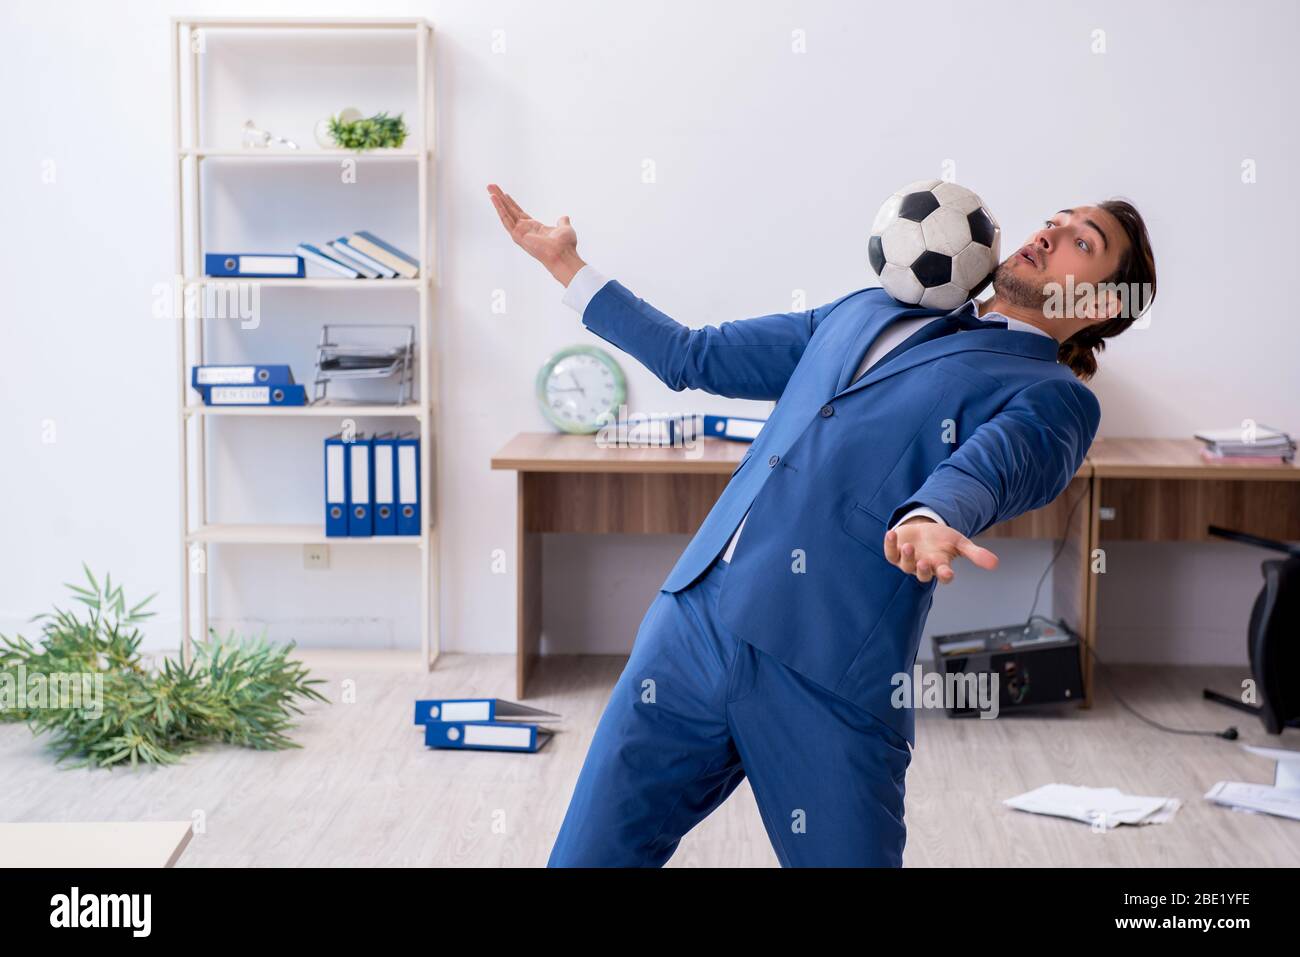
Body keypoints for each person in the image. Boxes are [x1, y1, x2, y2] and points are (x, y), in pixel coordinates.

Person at [488, 183, 1157, 866]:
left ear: (1101, 304)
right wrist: (569, 268)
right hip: (688, 631)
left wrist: (932, 514)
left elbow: (992, 466)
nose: (1048, 233)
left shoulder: (1054, 397)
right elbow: (695, 355)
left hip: (825, 670)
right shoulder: (871, 307)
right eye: (1054, 220)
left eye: (1082, 241)